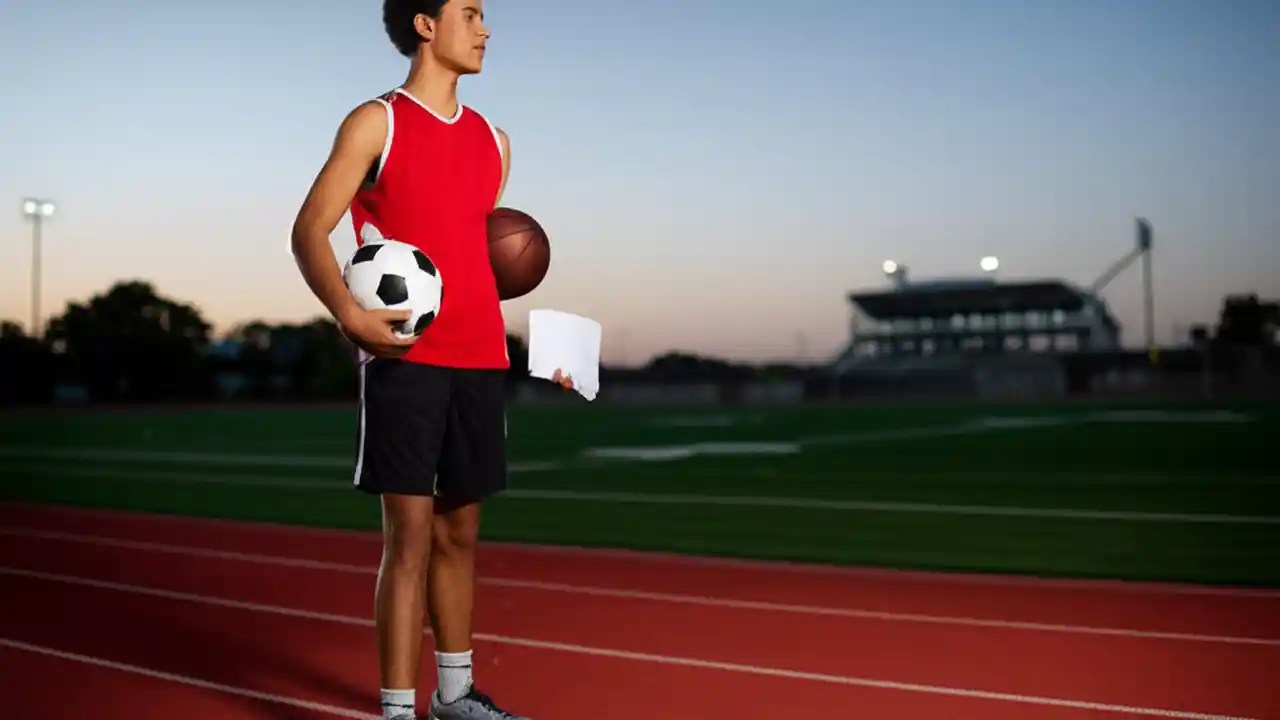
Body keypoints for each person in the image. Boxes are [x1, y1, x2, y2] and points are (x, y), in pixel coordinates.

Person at [291, 1, 570, 718]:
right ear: (424, 23)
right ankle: (394, 709)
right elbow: (309, 231)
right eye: (470, 13)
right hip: (406, 358)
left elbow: (476, 256)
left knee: (461, 533)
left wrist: (560, 349)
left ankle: (455, 696)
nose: (485, 29)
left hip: (481, 357)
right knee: (408, 535)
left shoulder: (494, 141)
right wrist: (352, 316)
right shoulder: (375, 122)